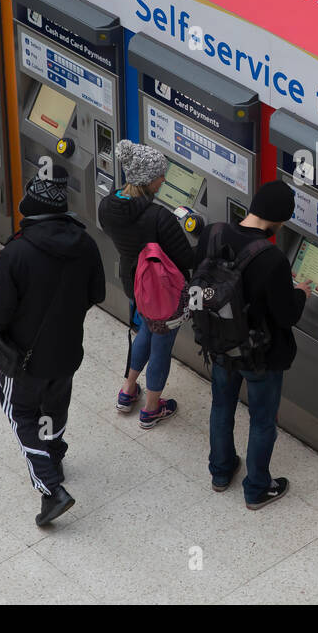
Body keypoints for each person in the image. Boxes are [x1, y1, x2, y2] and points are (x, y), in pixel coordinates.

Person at [0, 168, 106, 527]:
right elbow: (96, 294)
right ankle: (54, 454)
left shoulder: (17, 252)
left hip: (23, 358)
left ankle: (51, 489)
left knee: (19, 413)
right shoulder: (85, 244)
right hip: (67, 351)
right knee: (54, 406)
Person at [202, 180, 310, 510]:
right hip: (259, 354)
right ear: (277, 220)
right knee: (262, 420)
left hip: (219, 343)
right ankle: (257, 489)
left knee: (222, 406)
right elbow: (286, 315)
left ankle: (221, 472)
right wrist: (301, 293)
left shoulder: (214, 232)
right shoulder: (273, 259)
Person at [98, 142, 194, 428]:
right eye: (160, 176)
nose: (163, 180)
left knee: (146, 331)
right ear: (147, 179)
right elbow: (186, 257)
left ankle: (128, 391)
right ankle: (152, 409)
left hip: (134, 284)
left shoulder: (108, 206)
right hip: (163, 293)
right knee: (162, 345)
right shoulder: (158, 217)